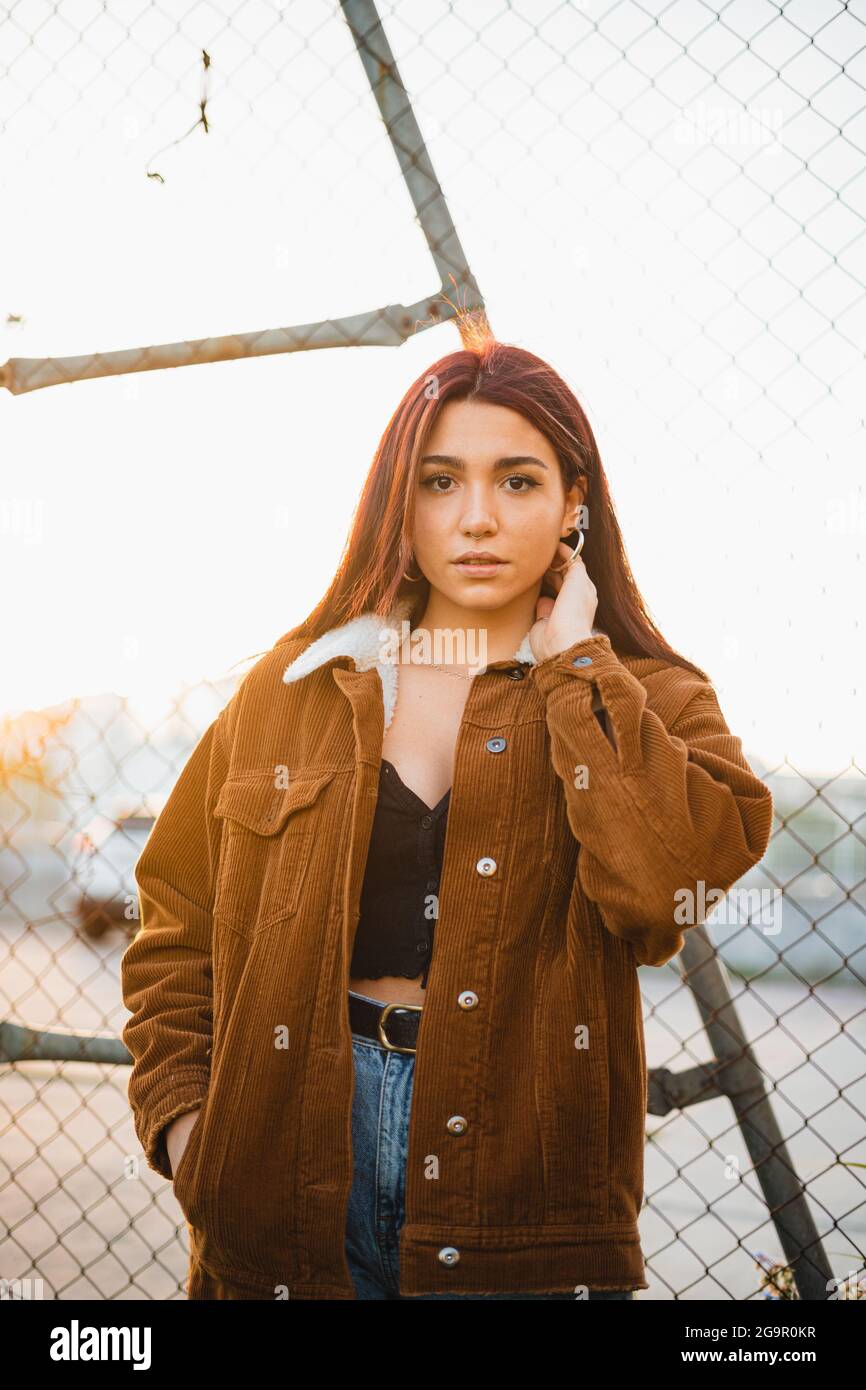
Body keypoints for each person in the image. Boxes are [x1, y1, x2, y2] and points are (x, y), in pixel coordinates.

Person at [121, 330, 773, 1300]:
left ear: (573, 505)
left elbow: (658, 892)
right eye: (439, 481)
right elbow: (177, 920)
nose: (476, 518)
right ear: (400, 499)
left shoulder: (650, 697)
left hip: (518, 1202)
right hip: (283, 1180)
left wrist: (574, 667)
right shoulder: (298, 685)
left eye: (517, 481)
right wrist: (190, 1130)